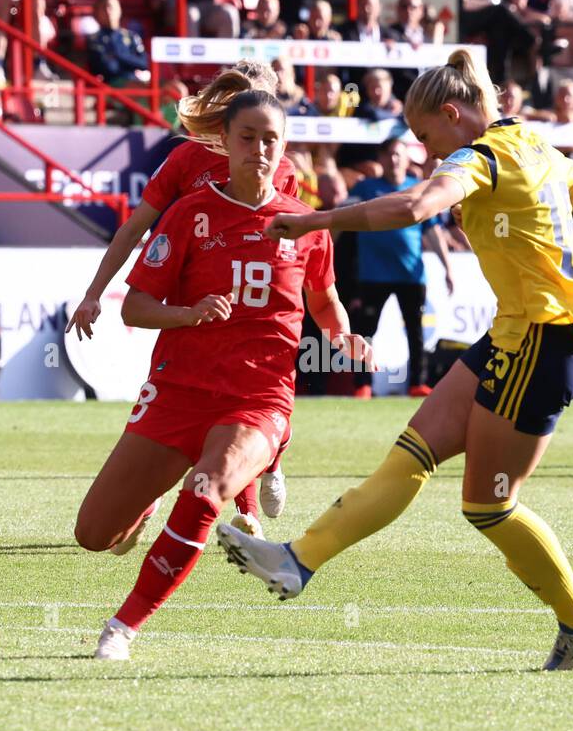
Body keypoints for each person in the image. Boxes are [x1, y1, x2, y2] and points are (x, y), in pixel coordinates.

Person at [217, 49, 573, 671]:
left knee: (488, 504)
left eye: (427, 138)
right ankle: (298, 560)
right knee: (414, 448)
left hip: (544, 340)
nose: (430, 153)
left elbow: (411, 208)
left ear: (454, 115)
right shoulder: (533, 143)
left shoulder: (478, 156)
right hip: (517, 332)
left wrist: (316, 221)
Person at [79, 90, 368, 661]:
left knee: (208, 489)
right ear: (225, 143)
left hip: (258, 400)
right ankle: (146, 507)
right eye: (247, 138)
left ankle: (124, 625)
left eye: (271, 140)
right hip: (179, 392)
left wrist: (343, 337)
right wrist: (188, 314)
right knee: (94, 535)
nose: (259, 150)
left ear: (284, 149)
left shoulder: (306, 225)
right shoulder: (192, 213)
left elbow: (324, 298)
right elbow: (135, 307)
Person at [65, 62, 300, 539]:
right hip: (186, 316)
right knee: (175, 417)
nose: (256, 143)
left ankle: (253, 493)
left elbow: (291, 245)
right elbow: (134, 228)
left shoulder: (284, 171)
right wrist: (94, 294)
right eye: (242, 123)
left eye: (265, 128)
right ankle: (149, 495)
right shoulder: (188, 160)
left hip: (249, 325)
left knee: (246, 403)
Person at [347, 135, 455, 399]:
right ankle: (363, 384)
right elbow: (342, 224)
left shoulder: (418, 189)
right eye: (389, 154)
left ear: (406, 159)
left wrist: (448, 267)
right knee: (366, 332)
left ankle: (417, 383)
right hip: (374, 275)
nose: (394, 159)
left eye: (399, 154)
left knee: (416, 333)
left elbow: (433, 232)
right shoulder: (365, 189)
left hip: (411, 275)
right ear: (381, 159)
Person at [86, 0, 150, 86]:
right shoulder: (94, 39)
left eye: (112, 7)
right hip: (110, 85)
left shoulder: (131, 36)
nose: (108, 11)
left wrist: (119, 56)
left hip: (134, 82)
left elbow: (144, 63)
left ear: (119, 10)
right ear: (97, 13)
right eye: (104, 8)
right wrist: (129, 63)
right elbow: (107, 67)